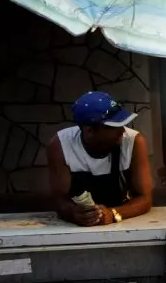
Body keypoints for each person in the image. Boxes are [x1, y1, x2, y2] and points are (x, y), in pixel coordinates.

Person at [47, 91, 153, 227]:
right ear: (90, 131)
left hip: (126, 223)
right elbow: (59, 200)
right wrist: (73, 213)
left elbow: (145, 198)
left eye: (122, 124)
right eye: (114, 126)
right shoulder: (60, 145)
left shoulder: (134, 141)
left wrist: (113, 213)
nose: (122, 130)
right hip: (78, 229)